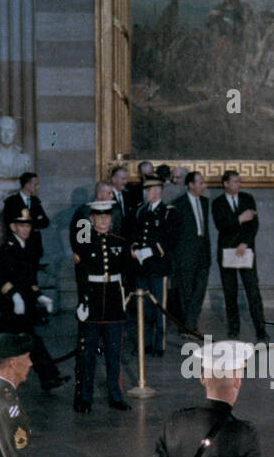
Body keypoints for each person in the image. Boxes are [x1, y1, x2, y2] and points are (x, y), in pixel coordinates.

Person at [0, 200, 66, 390]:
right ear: (13, 227)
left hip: (25, 304)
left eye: (28, 225)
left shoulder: (28, 247)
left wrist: (39, 296)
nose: (26, 229)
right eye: (22, 225)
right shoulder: (9, 247)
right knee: (4, 341)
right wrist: (14, 296)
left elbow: (29, 279)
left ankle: (49, 377)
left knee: (29, 340)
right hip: (12, 305)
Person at [72, 198, 131, 412]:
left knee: (113, 354)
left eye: (107, 217)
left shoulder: (120, 242)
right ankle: (84, 398)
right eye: (99, 217)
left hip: (114, 303)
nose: (104, 220)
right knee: (87, 355)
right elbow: (80, 275)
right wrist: (83, 301)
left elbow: (128, 271)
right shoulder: (85, 244)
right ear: (92, 219)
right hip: (93, 304)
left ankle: (116, 396)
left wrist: (127, 297)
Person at [212, 170, 268, 342]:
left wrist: (245, 243)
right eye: (235, 182)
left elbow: (254, 224)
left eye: (239, 181)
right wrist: (239, 219)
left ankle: (260, 329)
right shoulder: (217, 203)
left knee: (253, 290)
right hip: (227, 251)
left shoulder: (247, 198)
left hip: (246, 249)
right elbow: (221, 225)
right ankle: (233, 328)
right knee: (230, 291)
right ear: (226, 184)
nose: (238, 184)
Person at [132, 176, 178, 357]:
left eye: (150, 190)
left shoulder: (168, 212)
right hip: (141, 266)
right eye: (146, 190)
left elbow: (171, 238)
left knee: (159, 306)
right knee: (143, 307)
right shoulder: (140, 210)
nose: (147, 193)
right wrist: (134, 249)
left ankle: (159, 344)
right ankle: (144, 343)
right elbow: (134, 233)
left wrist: (151, 251)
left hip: (158, 266)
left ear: (159, 190)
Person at [172, 171, 213, 332]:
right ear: (191, 185)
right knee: (186, 292)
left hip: (203, 255)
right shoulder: (178, 204)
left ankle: (190, 323)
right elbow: (175, 234)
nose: (203, 186)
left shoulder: (204, 202)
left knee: (200, 290)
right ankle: (189, 327)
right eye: (200, 183)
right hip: (186, 256)